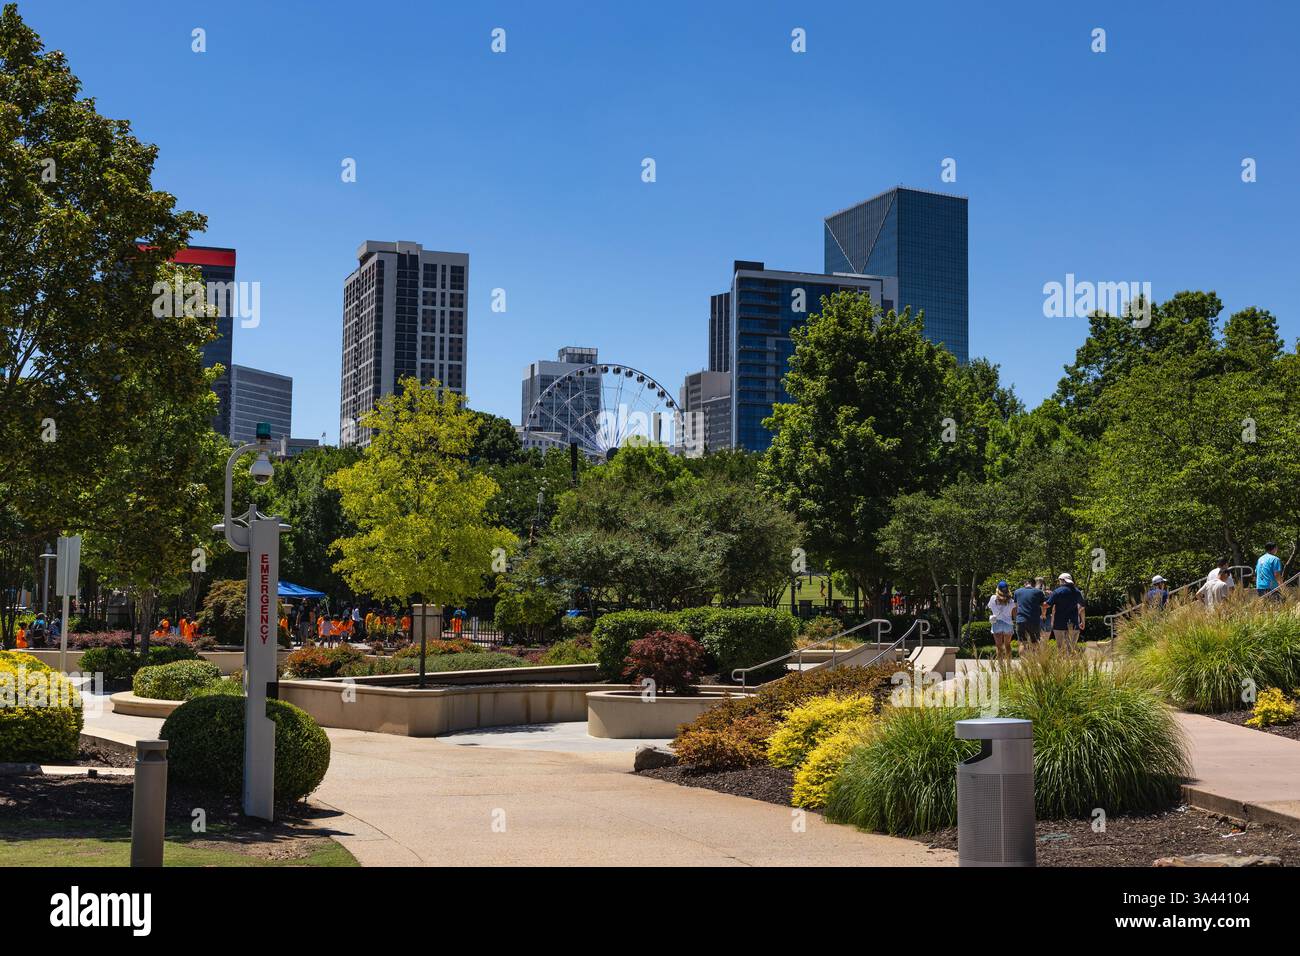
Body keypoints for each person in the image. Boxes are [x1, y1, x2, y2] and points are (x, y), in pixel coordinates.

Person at [1046, 572, 1086, 655]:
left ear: (1062, 580)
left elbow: (1047, 605)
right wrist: (1082, 620)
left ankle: (1061, 667)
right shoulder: (1077, 592)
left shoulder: (1057, 592)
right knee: (1071, 649)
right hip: (1074, 624)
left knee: (1060, 649)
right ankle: (1071, 667)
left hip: (1059, 624)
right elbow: (1082, 606)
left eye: (1059, 580)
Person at [1012, 578, 1045, 651]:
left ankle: (1023, 662)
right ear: (1034, 584)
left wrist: (1015, 619)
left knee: (1022, 643)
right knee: (1035, 642)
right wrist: (1043, 615)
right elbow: (1043, 606)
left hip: (1020, 620)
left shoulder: (1017, 592)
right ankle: (1033, 662)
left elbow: (1015, 607)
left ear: (1025, 583)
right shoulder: (1039, 592)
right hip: (1034, 620)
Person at [987, 580, 1015, 661]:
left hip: (997, 623)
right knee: (1008, 645)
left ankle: (1001, 666)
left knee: (998, 646)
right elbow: (1013, 613)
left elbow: (989, 608)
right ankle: (1009, 666)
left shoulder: (993, 598)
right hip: (1008, 623)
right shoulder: (1011, 601)